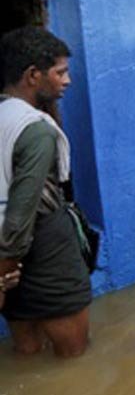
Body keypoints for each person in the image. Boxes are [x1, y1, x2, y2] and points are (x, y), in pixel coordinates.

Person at [0, 26, 91, 358]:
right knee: (75, 359)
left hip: (11, 263)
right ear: (33, 75)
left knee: (26, 351)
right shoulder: (36, 132)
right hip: (41, 252)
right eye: (60, 72)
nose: (67, 81)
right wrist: (3, 272)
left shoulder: (6, 115)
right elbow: (22, 212)